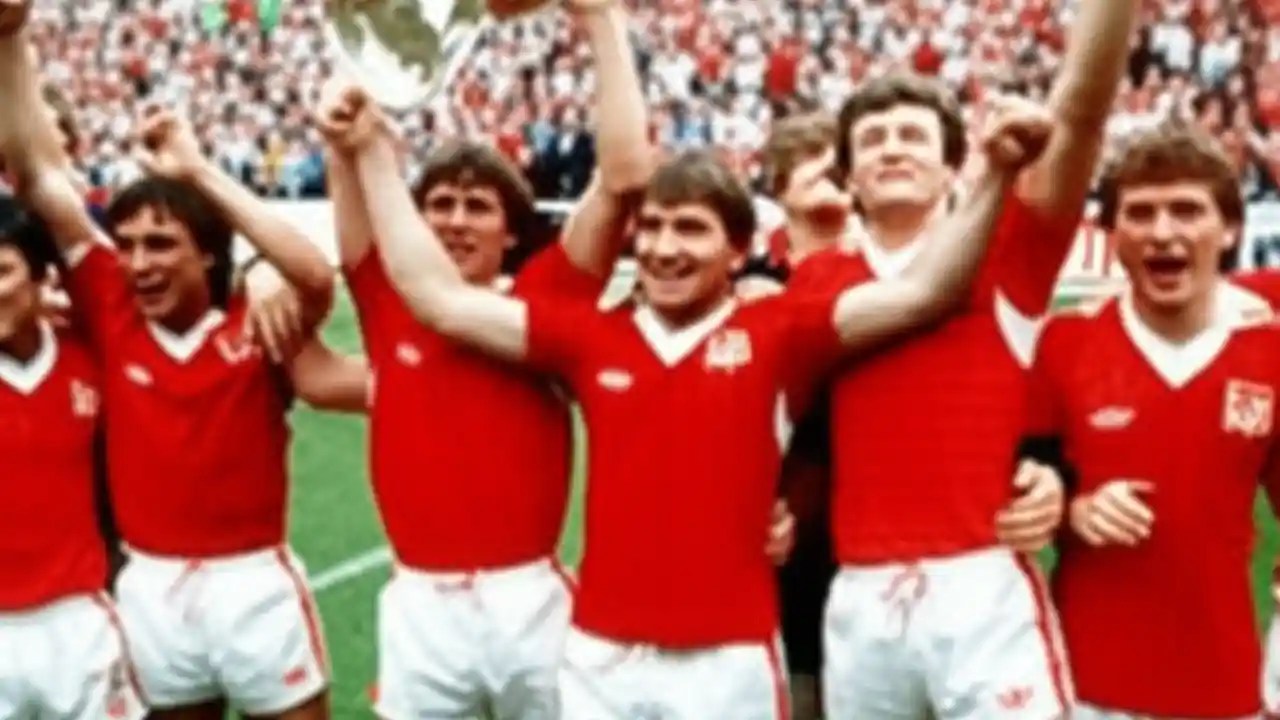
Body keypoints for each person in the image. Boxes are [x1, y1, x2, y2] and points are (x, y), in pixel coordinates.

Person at [333, 69, 1053, 717]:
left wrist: (991, 174)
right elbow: (434, 297)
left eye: (690, 229)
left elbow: (928, 291)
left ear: (738, 252)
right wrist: (370, 152)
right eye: (650, 229)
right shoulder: (590, 335)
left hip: (730, 658)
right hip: (601, 656)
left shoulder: (780, 327)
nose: (664, 247)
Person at [0, 11, 365, 718]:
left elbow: (313, 276)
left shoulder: (257, 322)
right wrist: (12, 40)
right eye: (128, 243)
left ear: (206, 254)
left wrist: (198, 171)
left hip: (253, 582)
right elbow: (41, 175)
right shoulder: (110, 308)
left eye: (161, 244)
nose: (138, 262)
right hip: (149, 586)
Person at [786, 0, 1141, 716]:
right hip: (859, 594)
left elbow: (1079, 117)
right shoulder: (817, 281)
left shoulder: (1012, 254)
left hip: (980, 585)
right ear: (849, 177)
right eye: (874, 139)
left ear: (954, 166)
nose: (892, 148)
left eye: (914, 136)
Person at [310, 0, 654, 716]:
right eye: (439, 204)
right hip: (419, 601)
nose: (455, 221)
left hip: (528, 596)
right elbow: (343, 156)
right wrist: (352, 87)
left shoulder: (548, 295)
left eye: (477, 207)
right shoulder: (385, 295)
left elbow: (623, 181)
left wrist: (600, 22)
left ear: (511, 230)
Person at [1026, 124, 1280, 719]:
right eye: (1140, 214)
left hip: (1224, 685)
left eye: (1187, 210)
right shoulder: (1064, 344)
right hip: (1087, 684)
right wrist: (1074, 508)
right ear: (1112, 235)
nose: (1163, 232)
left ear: (1231, 230)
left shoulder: (1269, 351)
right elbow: (1013, 491)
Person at [0, 195, 146, 720]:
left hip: (79, 620)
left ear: (42, 280)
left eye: (2, 271)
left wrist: (259, 272)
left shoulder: (88, 355)